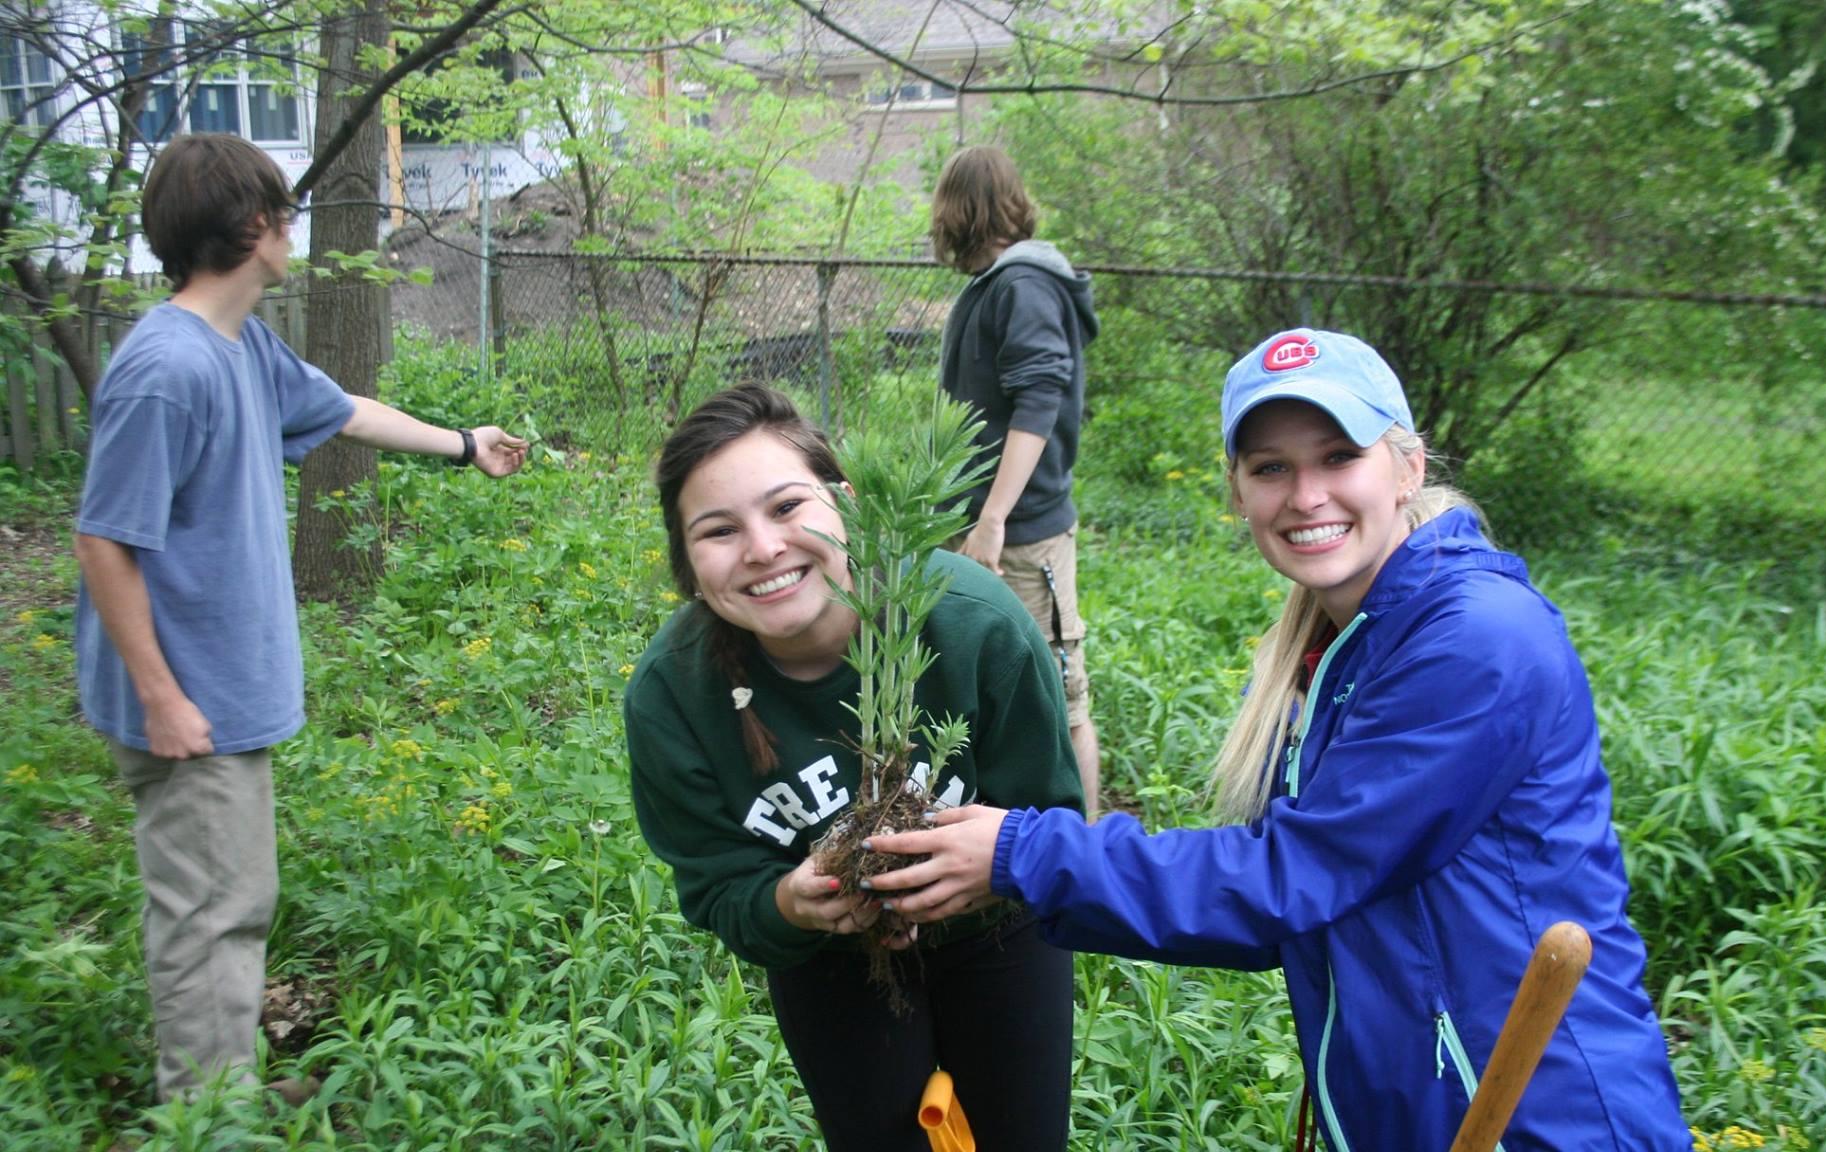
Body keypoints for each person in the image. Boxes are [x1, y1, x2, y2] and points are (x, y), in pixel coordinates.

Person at [866, 330, 1692, 1150]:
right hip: (1428, 1097)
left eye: (1339, 456)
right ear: (1238, 491)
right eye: (1271, 468)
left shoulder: (1477, 639)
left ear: (1408, 467)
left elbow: (1295, 877)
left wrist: (1025, 853)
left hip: (1534, 1112)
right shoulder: (1349, 643)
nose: (1306, 495)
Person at [73, 133, 529, 1103]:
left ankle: (217, 1082)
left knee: (234, 899)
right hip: (187, 701)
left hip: (221, 690)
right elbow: (103, 541)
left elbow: (345, 410)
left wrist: (462, 443)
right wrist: (160, 697)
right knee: (212, 910)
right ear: (254, 227)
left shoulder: (239, 345)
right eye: (284, 209)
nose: (295, 226)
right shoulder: (166, 369)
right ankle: (206, 1114)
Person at [624, 384, 1084, 1151]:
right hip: (830, 955)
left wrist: (995, 866)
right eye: (717, 530)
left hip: (1001, 933)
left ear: (846, 502)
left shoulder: (975, 626)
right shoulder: (673, 696)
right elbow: (717, 887)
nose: (763, 548)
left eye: (785, 507)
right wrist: (789, 904)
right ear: (686, 562)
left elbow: (1055, 820)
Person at [930, 144, 1102, 816]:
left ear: (958, 211)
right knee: (986, 688)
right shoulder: (997, 285)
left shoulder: (1023, 286)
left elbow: (1041, 399)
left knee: (1060, 698)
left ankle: (1082, 861)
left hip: (1021, 538)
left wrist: (994, 520)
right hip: (980, 533)